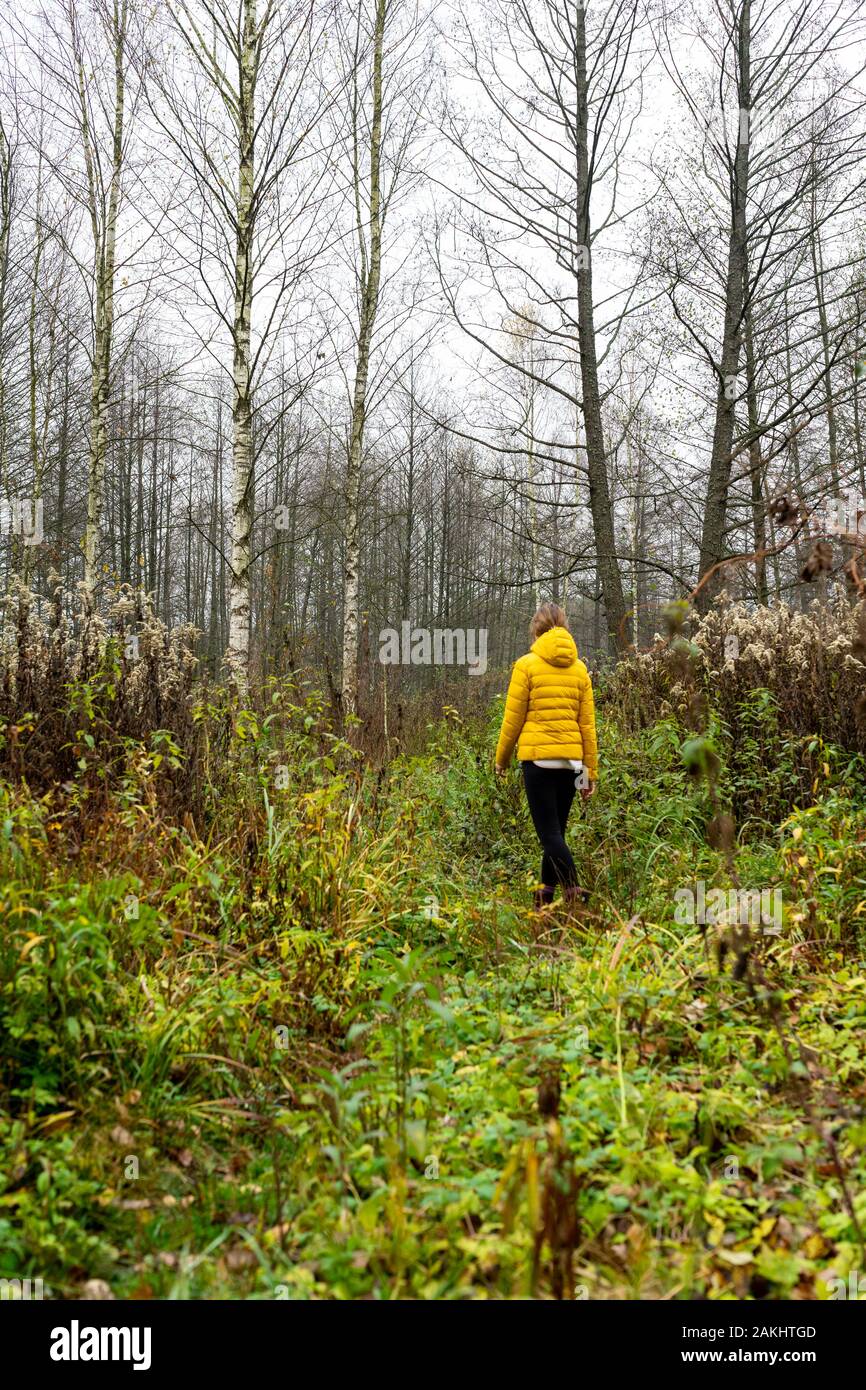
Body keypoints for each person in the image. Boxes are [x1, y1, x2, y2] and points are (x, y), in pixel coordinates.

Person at [494, 603, 598, 910]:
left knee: (551, 836)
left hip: (538, 763)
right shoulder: (580, 670)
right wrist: (587, 773)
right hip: (571, 764)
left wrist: (501, 759)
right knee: (557, 835)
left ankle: (573, 889)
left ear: (536, 630)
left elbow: (512, 720)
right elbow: (587, 728)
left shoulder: (526, 665)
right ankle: (543, 902)